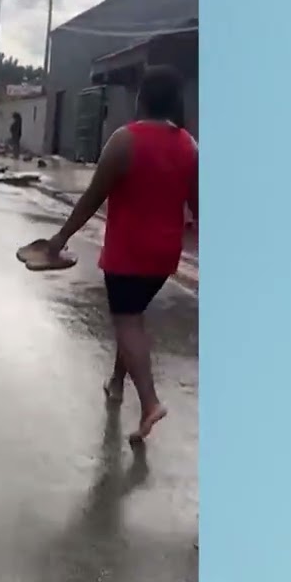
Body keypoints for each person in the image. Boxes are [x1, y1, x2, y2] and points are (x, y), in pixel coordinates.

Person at [39, 66, 198, 444]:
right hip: (164, 255)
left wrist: (60, 238)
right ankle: (115, 382)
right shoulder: (189, 145)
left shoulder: (124, 140)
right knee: (132, 316)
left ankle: (150, 402)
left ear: (142, 97)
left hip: (129, 251)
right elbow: (200, 205)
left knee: (127, 323)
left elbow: (92, 199)